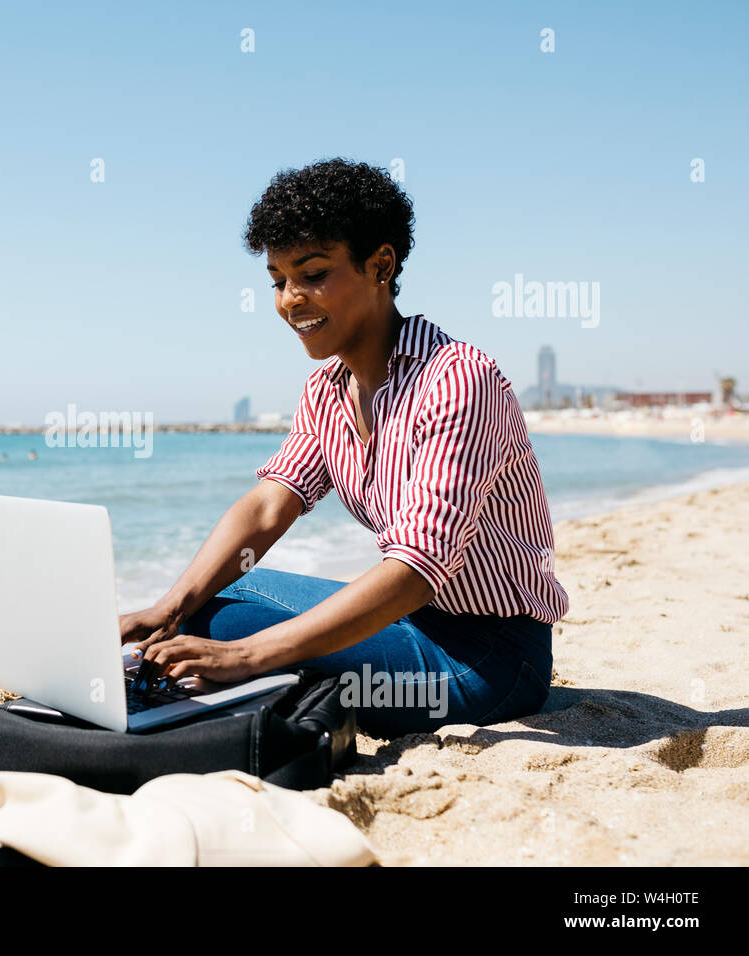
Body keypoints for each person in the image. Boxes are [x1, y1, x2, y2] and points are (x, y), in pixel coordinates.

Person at [119, 158, 569, 738]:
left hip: (488, 660)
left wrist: (251, 657)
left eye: (312, 273)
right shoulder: (328, 387)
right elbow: (270, 503)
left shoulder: (457, 379)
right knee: (205, 607)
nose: (290, 300)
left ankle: (259, 682)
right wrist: (170, 605)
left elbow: (416, 570)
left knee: (230, 638)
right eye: (279, 280)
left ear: (381, 264)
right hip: (411, 625)